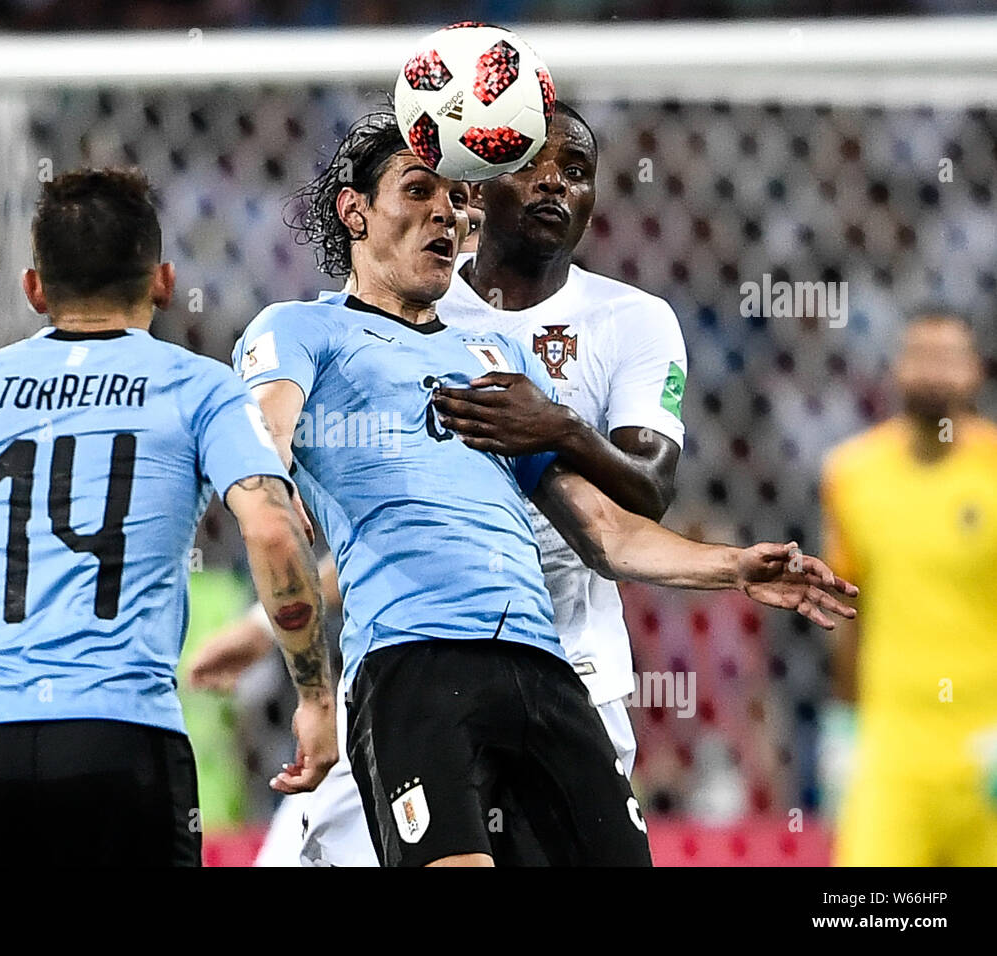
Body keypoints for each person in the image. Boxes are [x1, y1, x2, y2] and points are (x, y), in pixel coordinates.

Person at [231, 112, 856, 867]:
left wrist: (732, 567)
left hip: (545, 669)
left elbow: (605, 530)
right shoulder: (303, 329)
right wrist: (264, 476)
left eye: (455, 198)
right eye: (419, 190)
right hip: (416, 664)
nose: (444, 212)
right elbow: (264, 434)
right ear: (354, 211)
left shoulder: (494, 353)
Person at [195, 104, 688, 866]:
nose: (553, 183)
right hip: (410, 661)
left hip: (567, 670)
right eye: (526, 165)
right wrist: (272, 630)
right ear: (483, 185)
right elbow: (395, 516)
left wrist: (558, 428)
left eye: (578, 171)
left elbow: (636, 502)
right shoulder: (409, 307)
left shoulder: (629, 320)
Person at [0, 167, 336, 867]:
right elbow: (270, 529)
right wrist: (314, 697)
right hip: (121, 744)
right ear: (164, 281)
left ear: (34, 289)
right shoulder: (202, 389)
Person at [823, 309, 997, 866]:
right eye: (920, 356)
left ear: (976, 373)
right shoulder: (852, 473)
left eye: (948, 359)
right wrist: (842, 727)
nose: (933, 373)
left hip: (986, 742)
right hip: (890, 752)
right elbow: (849, 608)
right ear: (896, 369)